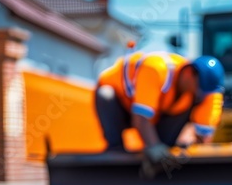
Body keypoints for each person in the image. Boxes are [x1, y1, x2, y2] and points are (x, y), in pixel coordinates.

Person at [95, 52, 225, 174]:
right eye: (199, 88)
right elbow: (141, 118)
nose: (200, 94)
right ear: (189, 73)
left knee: (164, 149)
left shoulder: (208, 91)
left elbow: (205, 136)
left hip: (156, 112)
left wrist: (193, 150)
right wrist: (154, 147)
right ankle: (116, 154)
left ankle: (163, 159)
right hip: (122, 106)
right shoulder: (156, 69)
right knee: (106, 94)